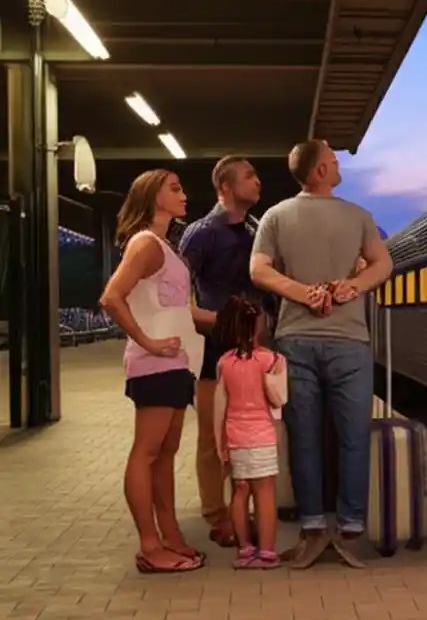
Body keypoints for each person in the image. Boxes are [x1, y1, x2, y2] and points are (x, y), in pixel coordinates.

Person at [250, 139, 392, 567]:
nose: (337, 163)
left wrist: (301, 293)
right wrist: (354, 287)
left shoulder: (276, 216)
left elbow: (258, 270)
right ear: (319, 172)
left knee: (304, 438)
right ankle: (351, 530)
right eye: (332, 159)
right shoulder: (359, 216)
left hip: (295, 339)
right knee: (353, 438)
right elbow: (384, 265)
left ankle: (312, 528)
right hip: (350, 341)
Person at [99, 169, 217, 573]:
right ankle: (150, 547)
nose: (184, 195)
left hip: (176, 362)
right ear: (153, 197)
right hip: (156, 364)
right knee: (147, 452)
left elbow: (177, 307)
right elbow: (111, 297)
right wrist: (148, 342)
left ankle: (171, 537)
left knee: (165, 454)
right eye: (175, 189)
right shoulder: (146, 244)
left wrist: (226, 319)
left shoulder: (163, 246)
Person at [177, 155, 263, 548]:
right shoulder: (201, 233)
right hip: (212, 355)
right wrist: (216, 321)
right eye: (249, 176)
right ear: (226, 187)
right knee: (213, 439)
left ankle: (244, 510)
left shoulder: (256, 231)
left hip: (253, 353)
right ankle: (217, 515)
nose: (257, 181)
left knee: (248, 438)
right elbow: (175, 295)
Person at [212, 295, 286, 569]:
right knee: (265, 492)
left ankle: (244, 550)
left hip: (236, 437)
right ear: (260, 326)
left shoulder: (224, 363)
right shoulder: (273, 360)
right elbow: (279, 401)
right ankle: (267, 552)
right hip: (263, 435)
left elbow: (219, 407)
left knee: (240, 490)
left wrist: (220, 443)